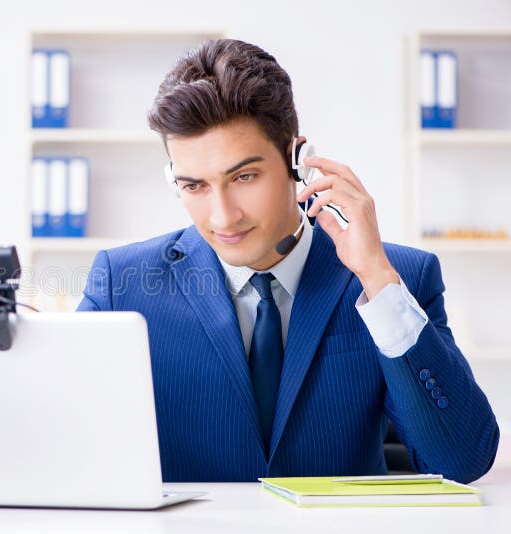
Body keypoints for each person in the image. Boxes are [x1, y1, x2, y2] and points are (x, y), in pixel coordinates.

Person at [77, 39, 498, 483]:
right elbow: (63, 440)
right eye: (194, 186)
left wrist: (377, 281)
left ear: (298, 161)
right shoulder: (122, 286)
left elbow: (461, 461)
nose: (223, 216)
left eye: (244, 177)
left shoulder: (399, 278)